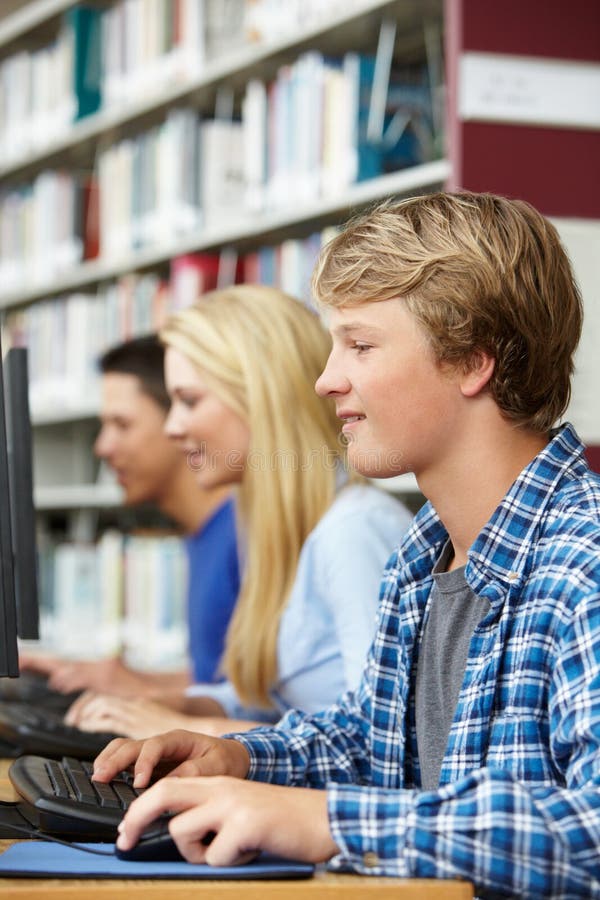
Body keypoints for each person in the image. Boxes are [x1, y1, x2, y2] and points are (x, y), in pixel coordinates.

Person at [93, 192, 600, 899]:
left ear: (471, 362)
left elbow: (592, 830)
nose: (327, 379)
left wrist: (330, 821)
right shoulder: (422, 558)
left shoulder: (585, 562)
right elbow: (374, 743)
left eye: (360, 346)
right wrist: (239, 757)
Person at [66, 284, 413, 739]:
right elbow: (277, 701)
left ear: (260, 397)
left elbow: (382, 744)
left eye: (189, 401)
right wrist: (179, 705)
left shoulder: (354, 531)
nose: (172, 427)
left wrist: (188, 727)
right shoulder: (274, 530)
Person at [20, 335, 239, 696]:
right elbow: (223, 688)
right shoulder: (201, 535)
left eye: (122, 425)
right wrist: (116, 680)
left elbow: (271, 709)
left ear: (179, 420)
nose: (101, 447)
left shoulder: (245, 538)